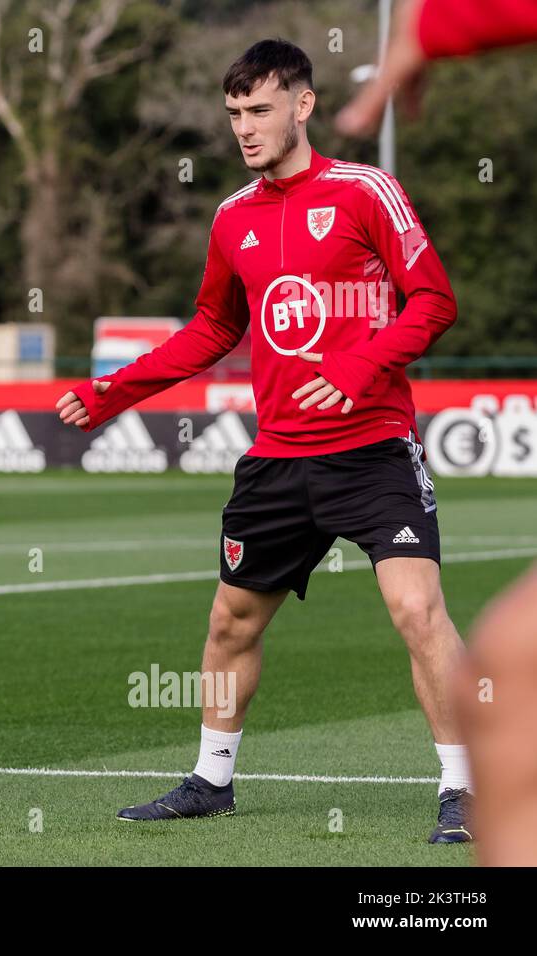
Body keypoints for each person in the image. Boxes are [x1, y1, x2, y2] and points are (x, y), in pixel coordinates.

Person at [57, 40, 468, 841]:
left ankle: (464, 788)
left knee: (417, 611)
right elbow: (213, 327)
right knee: (230, 624)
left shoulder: (365, 192)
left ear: (303, 106)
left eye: (260, 110)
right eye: (235, 114)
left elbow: (432, 301)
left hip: (372, 448)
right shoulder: (232, 217)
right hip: (279, 459)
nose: (245, 128)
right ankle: (212, 780)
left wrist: (357, 369)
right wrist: (115, 393)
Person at [339, 0, 537, 865]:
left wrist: (402, 60)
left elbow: (448, 17)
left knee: (505, 669)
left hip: (373, 444)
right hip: (289, 453)